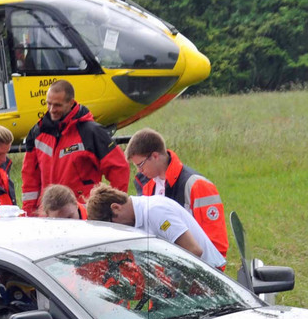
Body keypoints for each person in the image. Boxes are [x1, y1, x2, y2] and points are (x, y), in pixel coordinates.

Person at [19, 79, 129, 215]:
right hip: (48, 214)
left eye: (57, 105)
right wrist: (29, 212)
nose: (52, 110)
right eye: (49, 104)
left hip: (82, 213)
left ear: (70, 103)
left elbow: (119, 168)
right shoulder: (37, 132)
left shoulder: (91, 132)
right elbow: (30, 177)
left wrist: (113, 207)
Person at [125, 129, 229, 260]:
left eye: (140, 164)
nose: (139, 170)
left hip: (198, 267)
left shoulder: (197, 185)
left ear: (155, 156)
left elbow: (216, 245)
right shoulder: (148, 187)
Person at [85, 184, 225, 268]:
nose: (116, 231)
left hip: (210, 275)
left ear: (116, 208)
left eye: (112, 226)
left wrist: (170, 282)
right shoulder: (135, 220)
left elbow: (194, 250)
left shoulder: (155, 211)